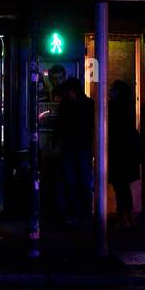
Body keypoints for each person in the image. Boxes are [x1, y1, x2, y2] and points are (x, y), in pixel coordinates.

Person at [56, 76, 94, 226]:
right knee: (83, 180)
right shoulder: (89, 104)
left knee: (72, 181)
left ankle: (77, 212)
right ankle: (85, 213)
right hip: (82, 145)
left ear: (72, 91)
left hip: (71, 146)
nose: (66, 95)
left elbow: (60, 124)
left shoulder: (66, 105)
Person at [107, 81, 141, 229]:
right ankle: (128, 217)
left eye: (112, 89)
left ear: (117, 91)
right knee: (124, 186)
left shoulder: (113, 106)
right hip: (128, 150)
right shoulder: (129, 105)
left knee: (119, 186)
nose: (109, 91)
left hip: (117, 150)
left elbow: (112, 128)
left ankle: (123, 218)